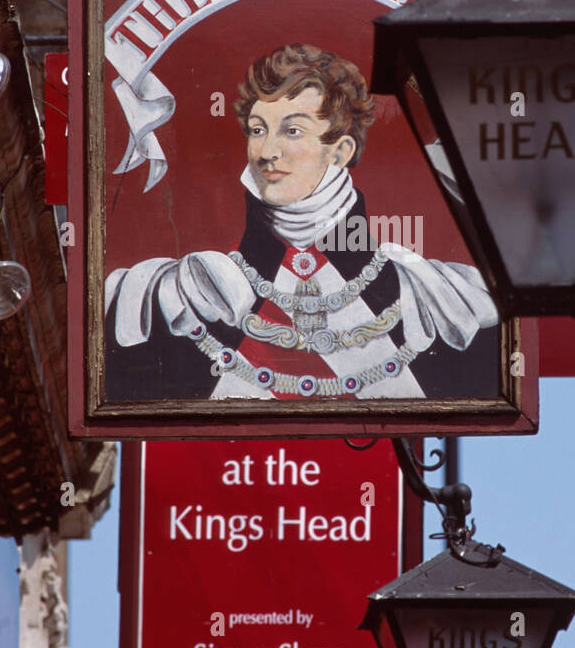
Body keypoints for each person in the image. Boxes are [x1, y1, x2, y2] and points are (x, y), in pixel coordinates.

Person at [104, 44, 498, 401]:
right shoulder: (177, 294)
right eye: (258, 130)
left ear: (340, 151)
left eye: (292, 131)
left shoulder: (438, 298)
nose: (267, 152)